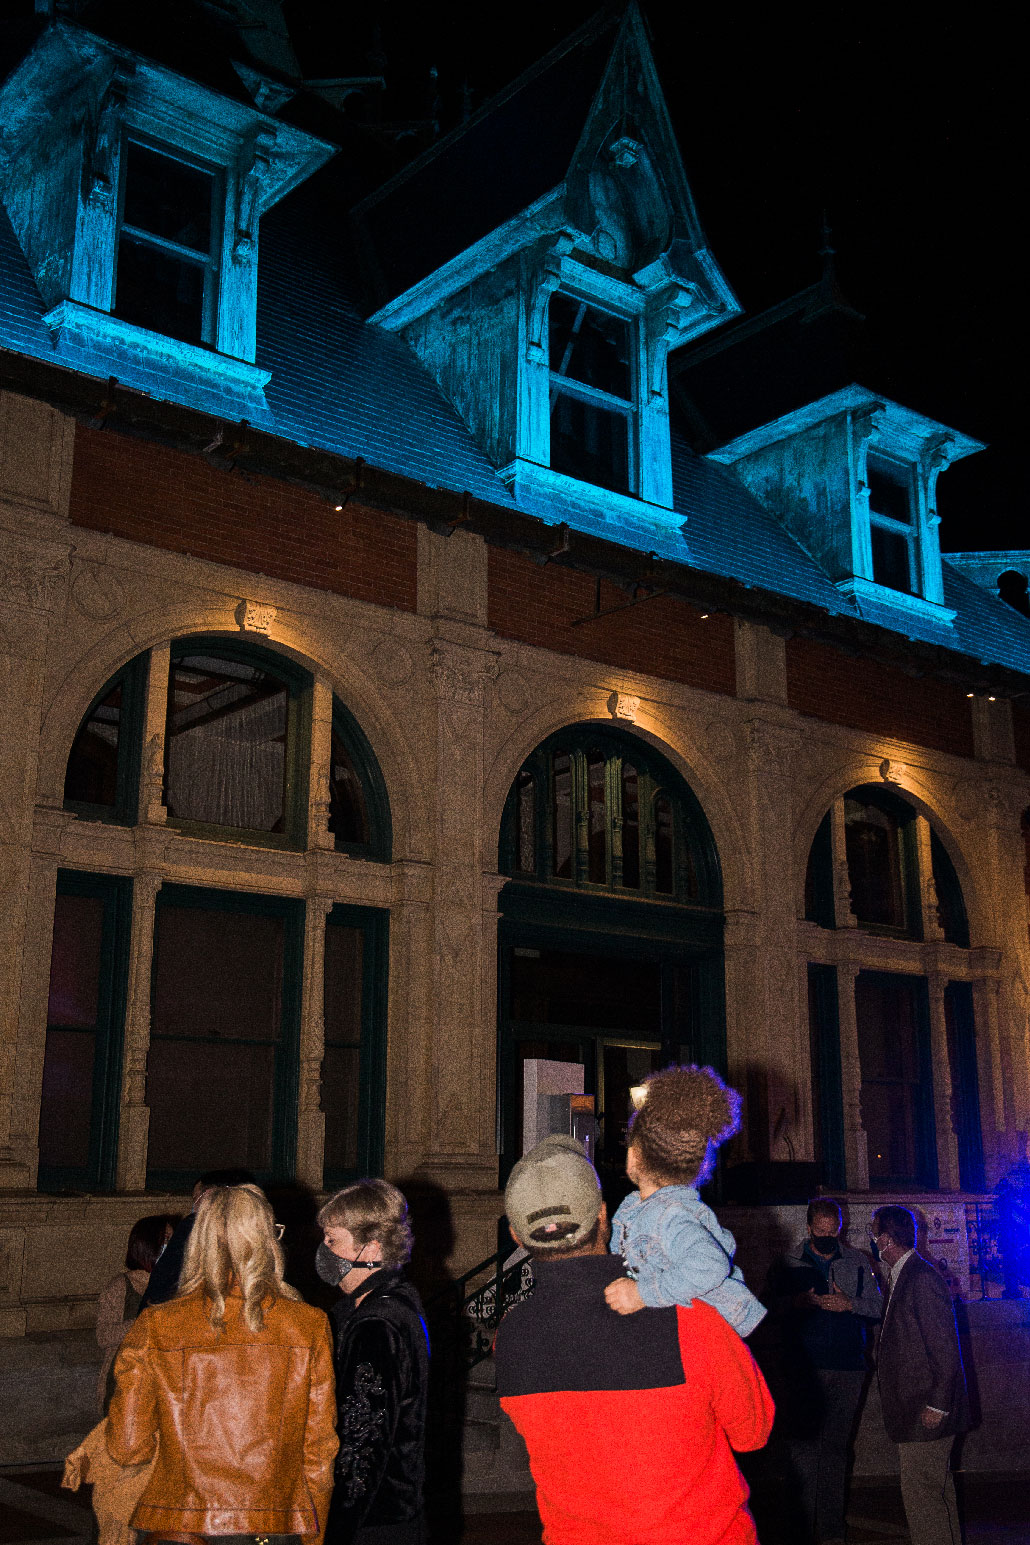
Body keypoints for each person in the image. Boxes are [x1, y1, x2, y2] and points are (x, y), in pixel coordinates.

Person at [494, 1134, 775, 1545]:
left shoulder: (511, 1338)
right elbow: (753, 1431)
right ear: (605, 1217)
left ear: (517, 1237)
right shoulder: (689, 1319)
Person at [106, 1183, 338, 1542]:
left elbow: (127, 1446)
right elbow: (319, 1451)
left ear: (198, 1240)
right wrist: (312, 1535)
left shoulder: (157, 1326)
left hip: (180, 1522)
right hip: (272, 1522)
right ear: (267, 1241)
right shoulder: (308, 1326)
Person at [603, 1064, 766, 1338]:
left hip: (705, 1335)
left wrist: (642, 1294)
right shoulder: (632, 1207)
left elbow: (711, 1264)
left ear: (633, 1157)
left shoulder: (671, 1213)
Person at [318, 1179, 430, 1545]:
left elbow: (363, 1440)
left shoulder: (376, 1324)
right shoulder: (387, 1304)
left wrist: (338, 1527)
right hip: (393, 1514)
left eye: (332, 1240)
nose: (323, 1250)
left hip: (373, 1523)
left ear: (372, 1247)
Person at [767, 1198, 881, 1545]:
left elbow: (876, 1306)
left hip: (847, 1368)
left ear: (840, 1228)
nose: (828, 1237)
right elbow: (763, 1309)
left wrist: (850, 1304)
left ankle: (832, 1532)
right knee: (803, 1452)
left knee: (835, 1452)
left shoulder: (858, 1262)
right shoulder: (787, 1263)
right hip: (804, 1371)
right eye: (821, 1232)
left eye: (834, 1232)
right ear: (808, 1229)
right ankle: (801, 1530)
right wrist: (796, 1303)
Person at [872, 1205, 969, 1545]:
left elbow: (944, 1347)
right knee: (935, 1491)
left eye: (875, 1234)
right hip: (918, 1406)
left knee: (922, 1495)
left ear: (885, 1239)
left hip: (924, 1409)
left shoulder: (921, 1277)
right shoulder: (907, 1274)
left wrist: (938, 1404)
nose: (873, 1241)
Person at [139, 1165, 257, 1309]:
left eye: (196, 1198)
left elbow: (163, 1286)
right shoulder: (254, 1228)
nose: (194, 1206)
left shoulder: (193, 1226)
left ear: (208, 1194)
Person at [95, 1213, 178, 1414]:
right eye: (166, 1240)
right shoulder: (121, 1286)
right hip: (125, 1382)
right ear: (147, 1245)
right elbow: (104, 1335)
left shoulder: (175, 1286)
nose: (172, 1247)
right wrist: (143, 1319)